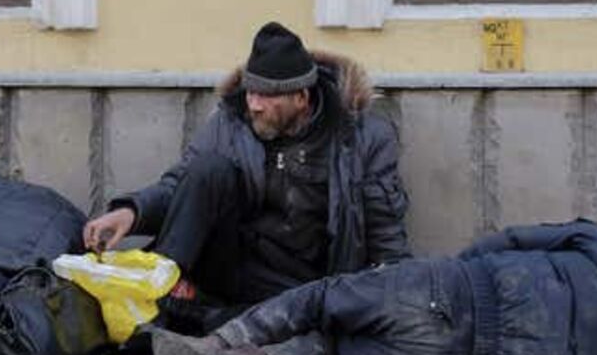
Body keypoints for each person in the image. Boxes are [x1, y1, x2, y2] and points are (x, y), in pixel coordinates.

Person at [83, 21, 411, 311]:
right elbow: (183, 186)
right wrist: (132, 212)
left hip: (303, 283)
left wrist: (401, 296)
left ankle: (207, 318)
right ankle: (161, 294)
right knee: (208, 169)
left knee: (278, 320)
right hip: (233, 262)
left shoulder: (360, 138)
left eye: (266, 96)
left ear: (301, 98)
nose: (253, 104)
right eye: (251, 92)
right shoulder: (231, 121)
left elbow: (383, 229)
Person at [151, 219, 597, 355]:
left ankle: (218, 343)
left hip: (458, 292)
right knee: (334, 353)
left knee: (322, 299)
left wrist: (458, 271)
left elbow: (511, 240)